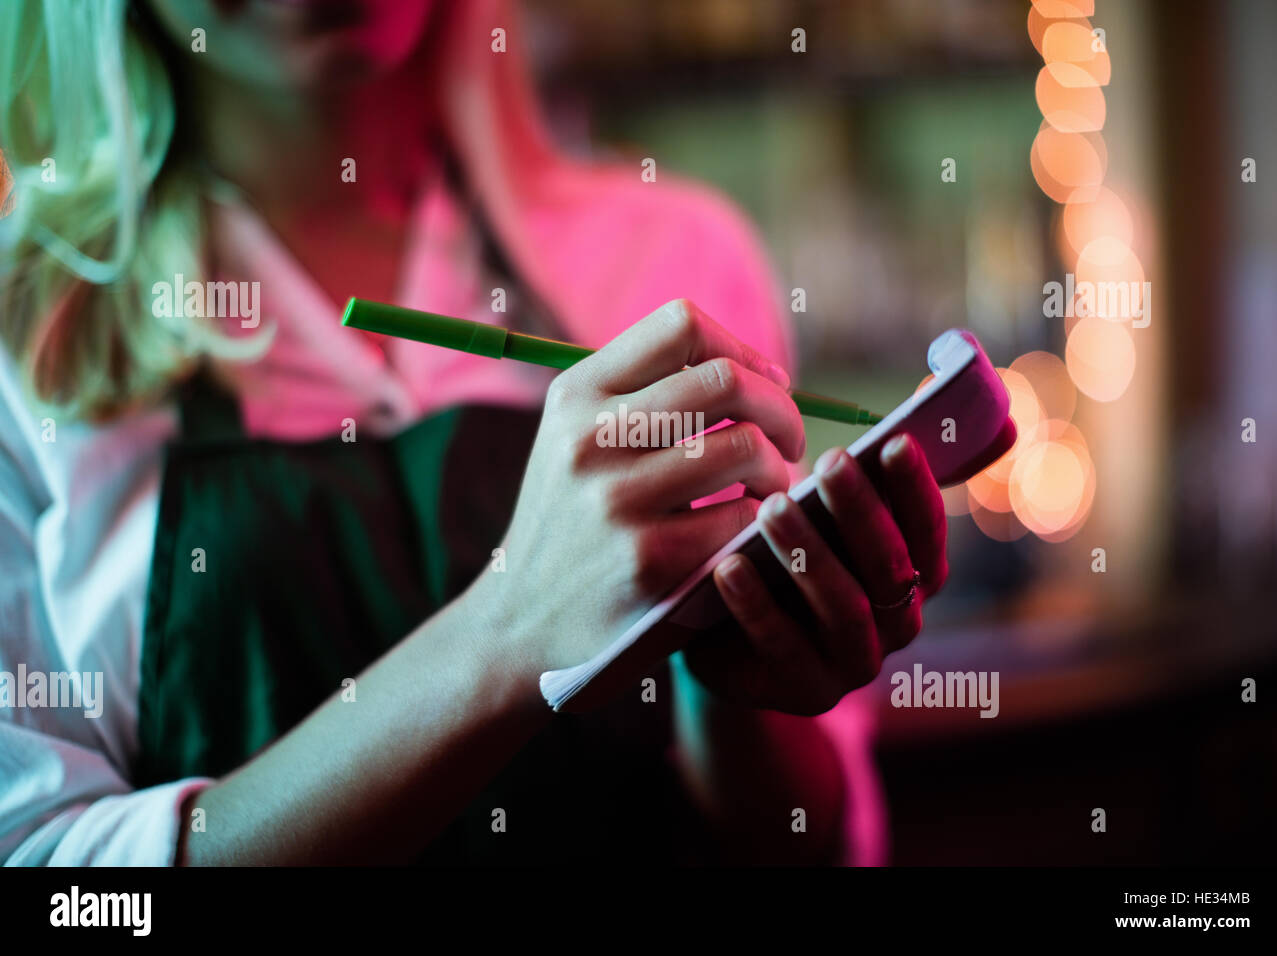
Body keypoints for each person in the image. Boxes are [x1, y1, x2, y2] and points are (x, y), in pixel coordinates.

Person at [0, 0, 947, 865]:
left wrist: (736, 687)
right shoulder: (25, 342)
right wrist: (512, 626)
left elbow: (817, 841)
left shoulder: (677, 255)